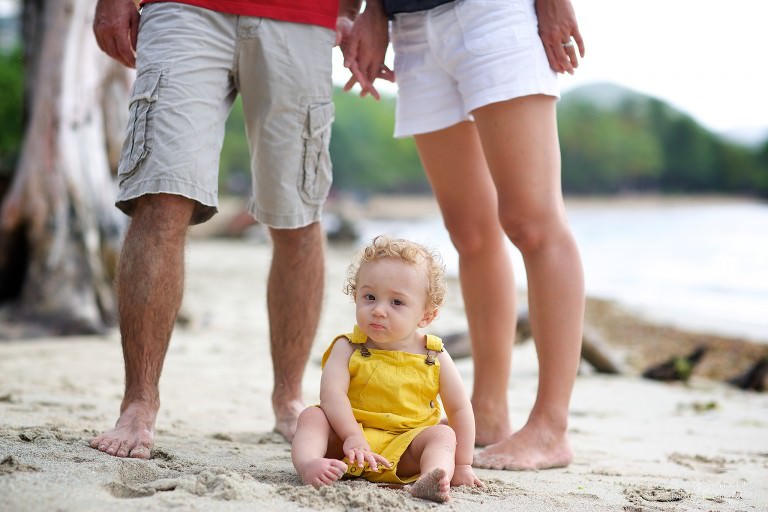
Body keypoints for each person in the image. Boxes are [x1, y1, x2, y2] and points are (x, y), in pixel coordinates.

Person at [89, 0, 362, 459]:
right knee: (161, 197)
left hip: (303, 16)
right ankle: (138, 403)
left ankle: (289, 399)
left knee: (297, 212)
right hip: (184, 10)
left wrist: (359, 10)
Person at [339, 0, 586, 471]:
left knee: (532, 222)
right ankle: (488, 412)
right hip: (411, 26)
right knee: (470, 233)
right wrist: (373, 10)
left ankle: (551, 426)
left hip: (494, 13)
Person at [291, 236, 483, 503]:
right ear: (355, 294)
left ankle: (433, 477)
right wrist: (352, 436)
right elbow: (332, 396)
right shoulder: (348, 347)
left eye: (396, 302)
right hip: (345, 447)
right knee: (312, 416)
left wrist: (464, 464)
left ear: (426, 315)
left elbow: (460, 408)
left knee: (442, 434)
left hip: (406, 447)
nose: (379, 310)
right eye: (369, 297)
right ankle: (309, 464)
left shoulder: (434, 354)